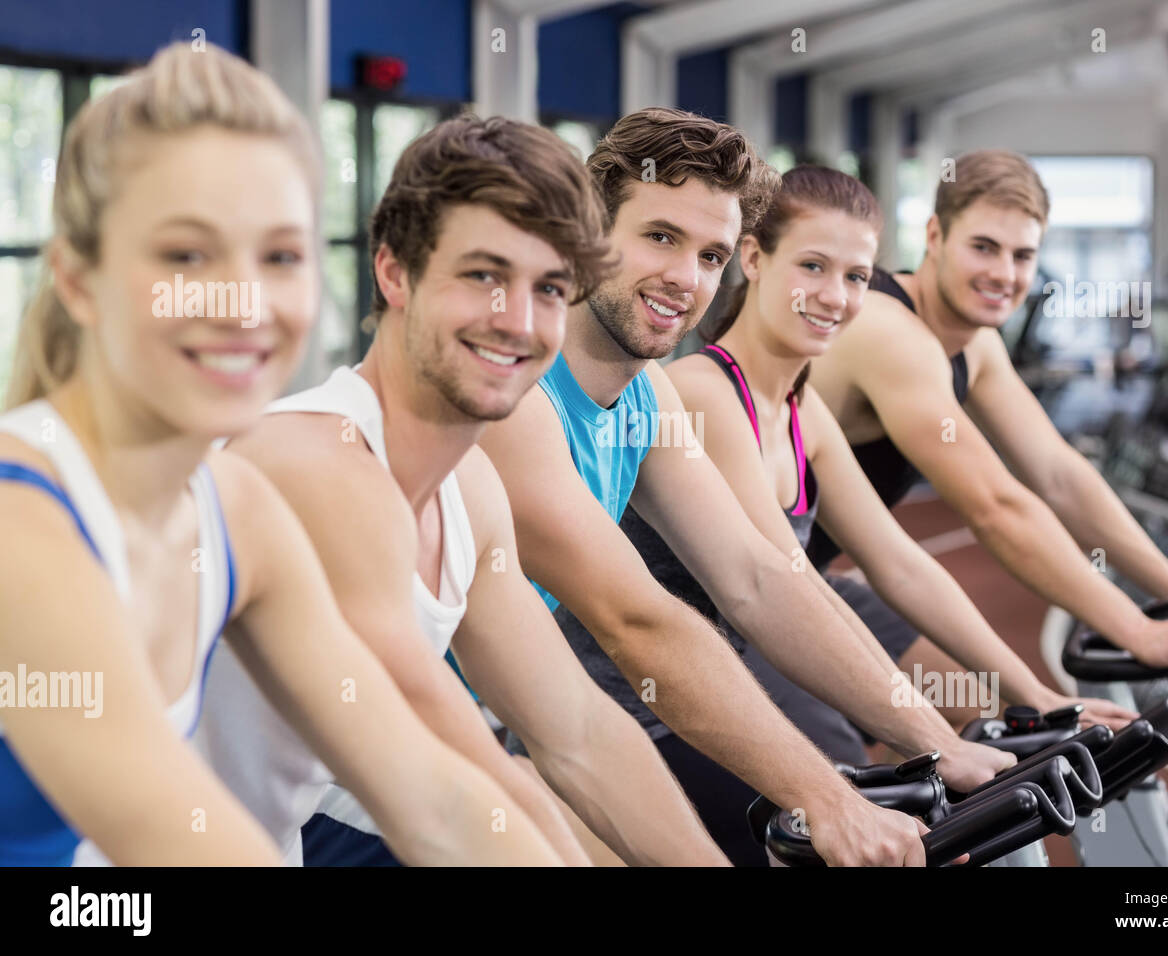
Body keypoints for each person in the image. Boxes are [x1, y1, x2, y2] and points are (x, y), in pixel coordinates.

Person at [0, 43, 561, 866]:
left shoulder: (235, 508)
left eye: (281, 257)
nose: (242, 302)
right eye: (185, 255)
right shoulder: (25, 531)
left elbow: (434, 802)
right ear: (79, 280)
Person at [480, 107, 1014, 867]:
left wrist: (936, 743)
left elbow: (760, 579)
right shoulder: (520, 393)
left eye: (709, 255)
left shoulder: (648, 399)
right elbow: (637, 624)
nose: (684, 278)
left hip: (523, 736)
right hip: (389, 771)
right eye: (661, 237)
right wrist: (826, 801)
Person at [201, 114, 728, 867]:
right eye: (484, 276)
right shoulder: (317, 462)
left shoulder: (471, 488)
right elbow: (444, 793)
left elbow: (574, 728)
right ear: (395, 273)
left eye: (548, 287)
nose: (516, 321)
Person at [604, 164, 1133, 774]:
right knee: (861, 778)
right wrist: (935, 742)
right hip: (648, 712)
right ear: (752, 258)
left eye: (856, 276)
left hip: (742, 645)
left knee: (975, 707)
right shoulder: (704, 393)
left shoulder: (805, 406)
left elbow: (900, 564)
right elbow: (780, 586)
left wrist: (1039, 699)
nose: (836, 296)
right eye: (812, 266)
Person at [808, 150, 1168, 680]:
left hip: (803, 574)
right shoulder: (888, 331)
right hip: (721, 585)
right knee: (872, 738)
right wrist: (1136, 630)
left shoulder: (977, 345)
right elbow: (996, 506)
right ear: (935, 236)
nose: (1004, 273)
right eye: (984, 248)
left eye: (1022, 256)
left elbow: (1058, 474)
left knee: (970, 701)